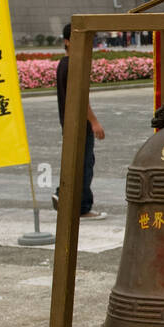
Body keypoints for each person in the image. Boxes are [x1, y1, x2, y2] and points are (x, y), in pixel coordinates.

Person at [52, 21, 107, 219]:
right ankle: (82, 206)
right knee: (84, 163)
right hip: (77, 123)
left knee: (76, 162)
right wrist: (94, 122)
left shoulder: (63, 64)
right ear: (67, 42)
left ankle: (62, 194)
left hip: (68, 122)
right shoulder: (72, 65)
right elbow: (80, 98)